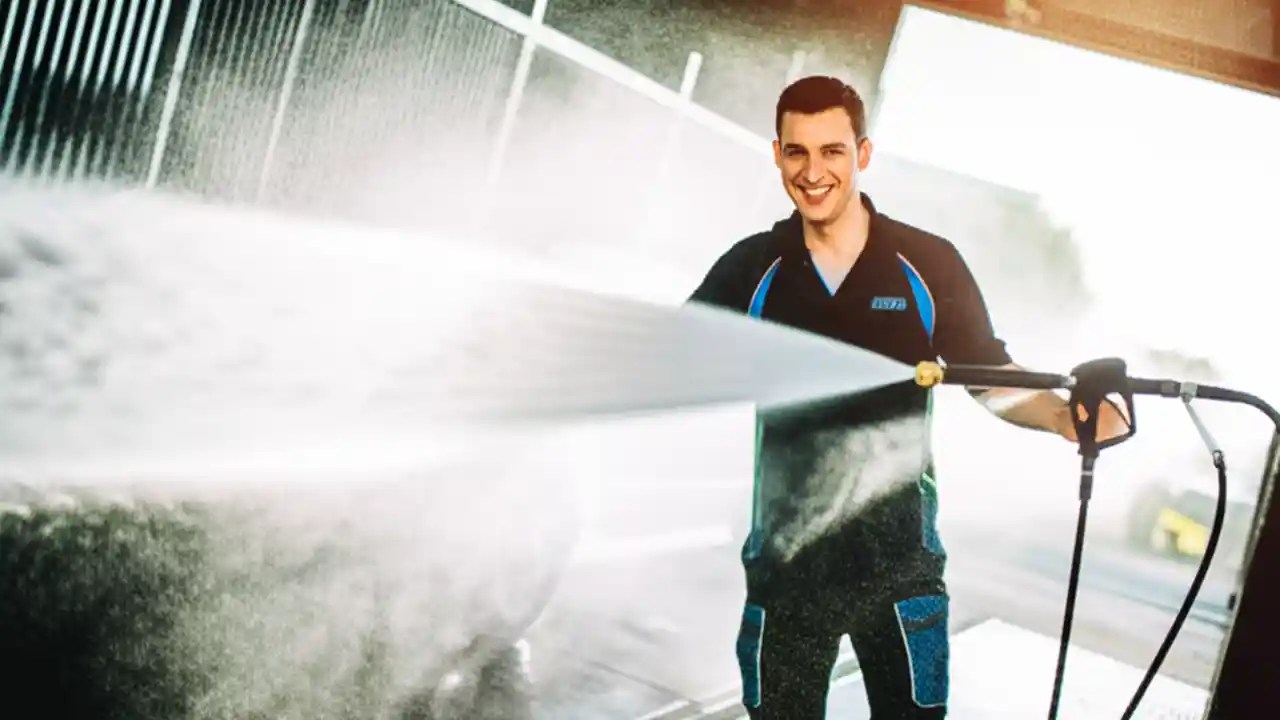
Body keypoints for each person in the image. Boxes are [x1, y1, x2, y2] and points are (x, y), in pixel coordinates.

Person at [687, 76, 1127, 718]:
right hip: (786, 571)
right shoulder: (753, 268)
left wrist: (1065, 418)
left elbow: (991, 379)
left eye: (831, 151)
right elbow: (681, 356)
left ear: (862, 154)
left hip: (897, 564)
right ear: (777, 153)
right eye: (797, 152)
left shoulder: (927, 263)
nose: (813, 173)